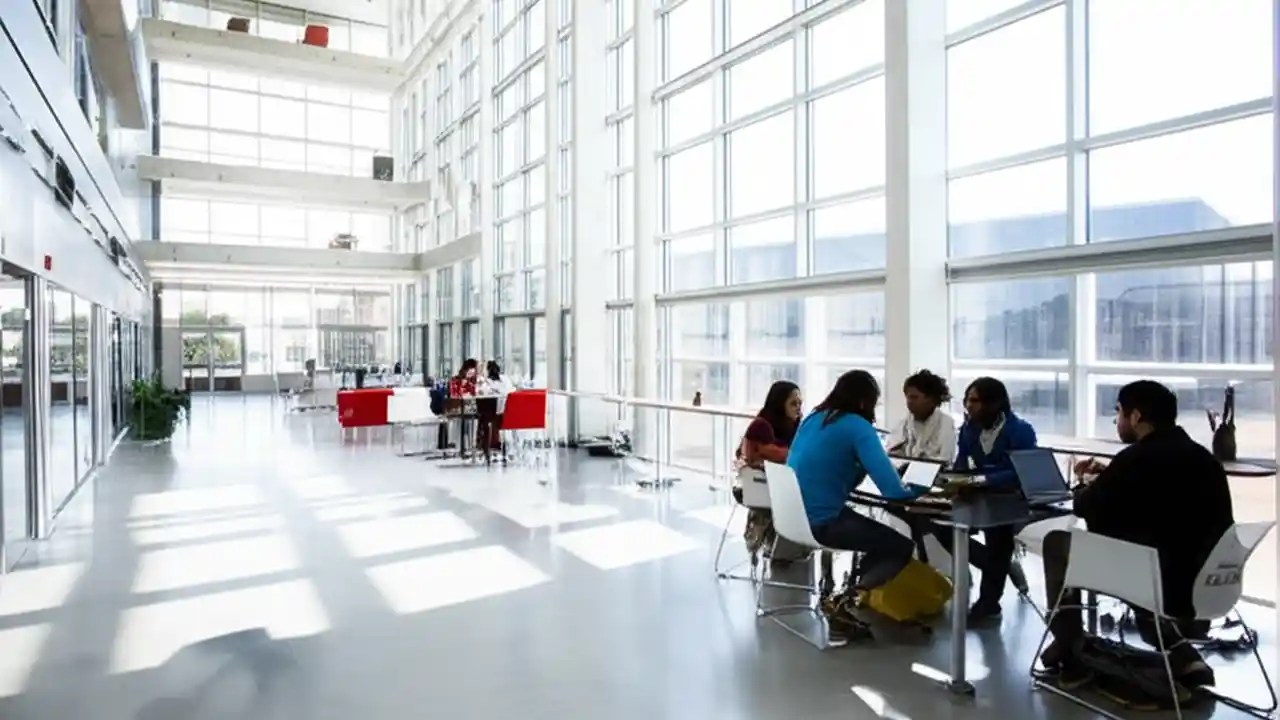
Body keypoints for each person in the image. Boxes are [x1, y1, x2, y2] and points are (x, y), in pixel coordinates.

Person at [1040, 381, 1234, 689]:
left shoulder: (1135, 459)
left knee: (1057, 543)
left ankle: (1069, 647)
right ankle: (1183, 655)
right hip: (1211, 584)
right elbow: (1155, 499)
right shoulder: (1203, 458)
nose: (1116, 420)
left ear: (1136, 416)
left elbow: (1084, 506)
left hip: (1158, 584)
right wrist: (1110, 476)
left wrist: (1087, 483)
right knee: (1144, 549)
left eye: (1118, 412)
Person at [787, 371, 922, 593]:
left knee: (875, 535)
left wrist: (858, 468)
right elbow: (894, 492)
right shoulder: (858, 426)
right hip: (823, 522)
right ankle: (850, 599)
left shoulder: (813, 418)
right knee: (901, 547)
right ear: (864, 401)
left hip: (795, 517)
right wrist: (917, 487)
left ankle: (855, 590)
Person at [933, 376, 1037, 625]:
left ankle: (988, 603)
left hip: (1010, 498)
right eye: (967, 400)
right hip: (977, 495)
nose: (969, 406)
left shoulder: (1020, 430)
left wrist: (982, 480)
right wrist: (952, 480)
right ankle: (998, 566)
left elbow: (1022, 472)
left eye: (975, 401)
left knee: (998, 539)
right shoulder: (970, 429)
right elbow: (963, 462)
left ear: (995, 403)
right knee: (939, 526)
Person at [732, 380, 802, 557]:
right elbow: (783, 457)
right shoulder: (761, 427)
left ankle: (787, 548)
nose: (798, 408)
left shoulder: (789, 425)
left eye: (800, 403)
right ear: (780, 404)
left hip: (773, 485)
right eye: (793, 403)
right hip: (758, 488)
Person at [887, 369, 957, 463]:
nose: (909, 401)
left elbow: (946, 459)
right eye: (908, 397)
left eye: (914, 397)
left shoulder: (946, 424)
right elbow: (892, 455)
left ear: (931, 399)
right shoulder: (903, 425)